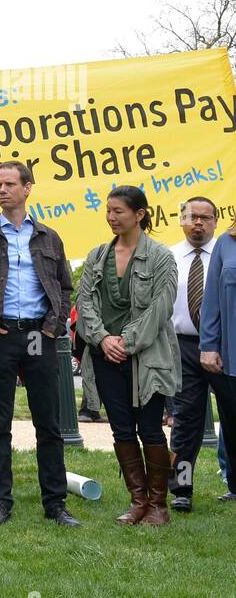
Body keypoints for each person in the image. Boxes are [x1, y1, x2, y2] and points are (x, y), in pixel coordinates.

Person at [0, 161, 79, 527]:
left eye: (9, 183)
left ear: (28, 188)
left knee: (48, 422)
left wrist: (54, 327)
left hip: (39, 336)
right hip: (0, 335)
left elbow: (65, 287)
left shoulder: (49, 237)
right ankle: (1, 502)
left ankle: (55, 503)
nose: (2, 189)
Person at [75, 186, 178, 525]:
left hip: (147, 357)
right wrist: (104, 339)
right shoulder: (96, 256)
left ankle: (158, 505)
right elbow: (84, 304)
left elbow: (161, 308)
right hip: (106, 357)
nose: (111, 217)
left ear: (140, 214)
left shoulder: (161, 256)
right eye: (108, 210)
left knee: (150, 428)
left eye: (118, 211)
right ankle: (137, 502)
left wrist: (127, 341)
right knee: (121, 429)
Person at [166, 197, 230, 511]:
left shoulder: (227, 253)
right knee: (186, 423)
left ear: (216, 221)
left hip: (225, 347)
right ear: (182, 220)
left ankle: (233, 485)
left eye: (206, 218)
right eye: (193, 217)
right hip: (183, 347)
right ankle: (182, 488)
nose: (198, 223)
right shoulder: (169, 257)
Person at [197, 201, 236, 504]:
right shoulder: (226, 242)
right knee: (232, 423)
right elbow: (210, 300)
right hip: (230, 355)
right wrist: (209, 346)